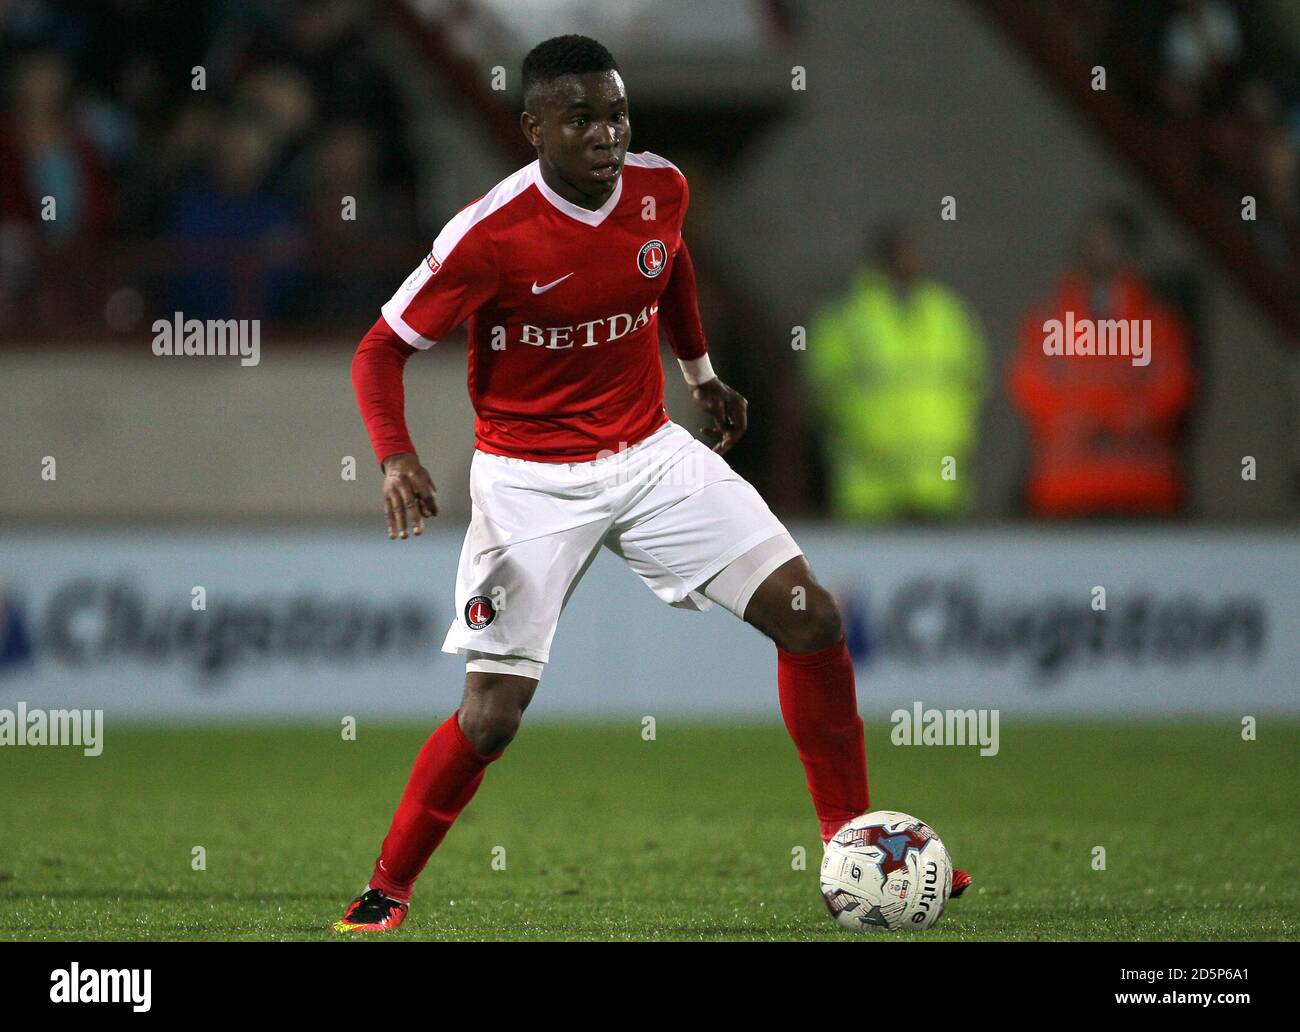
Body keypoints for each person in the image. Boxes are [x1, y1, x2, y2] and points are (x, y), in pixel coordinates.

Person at [337, 35, 969, 933]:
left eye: (617, 114)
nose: (606, 134)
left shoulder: (661, 188)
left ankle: (854, 846)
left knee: (811, 616)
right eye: (582, 118)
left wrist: (701, 370)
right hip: (528, 481)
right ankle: (388, 886)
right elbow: (381, 347)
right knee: (492, 715)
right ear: (534, 128)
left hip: (648, 453)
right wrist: (396, 453)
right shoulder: (490, 234)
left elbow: (669, 265)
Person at [1009, 206, 1195, 518]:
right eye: (1095, 241)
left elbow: (1173, 388)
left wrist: (1118, 418)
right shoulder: (1048, 323)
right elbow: (1031, 387)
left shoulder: (1159, 325)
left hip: (1140, 486)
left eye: (1111, 241)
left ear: (1130, 250)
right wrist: (1087, 419)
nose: (1101, 249)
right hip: (1066, 487)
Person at [808, 224, 985, 521]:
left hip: (937, 485)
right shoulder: (846, 318)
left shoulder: (948, 314)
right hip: (869, 488)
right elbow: (823, 391)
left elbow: (972, 383)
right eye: (904, 254)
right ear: (883, 260)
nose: (912, 261)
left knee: (941, 565)